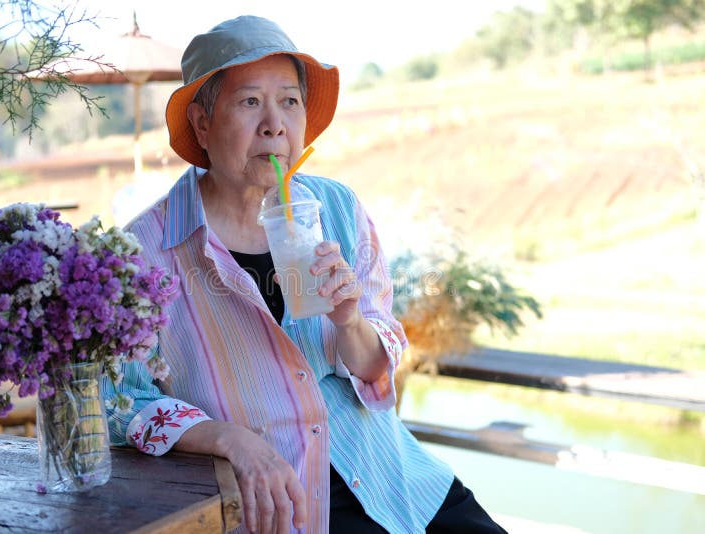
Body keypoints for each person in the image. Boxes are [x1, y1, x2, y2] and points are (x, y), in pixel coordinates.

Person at [103, 15, 507, 534]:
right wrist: (227, 438)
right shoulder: (145, 251)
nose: (274, 124)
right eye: (250, 102)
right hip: (281, 505)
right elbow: (121, 401)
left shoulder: (335, 207)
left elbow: (373, 364)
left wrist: (349, 321)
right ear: (203, 125)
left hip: (389, 480)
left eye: (289, 102)